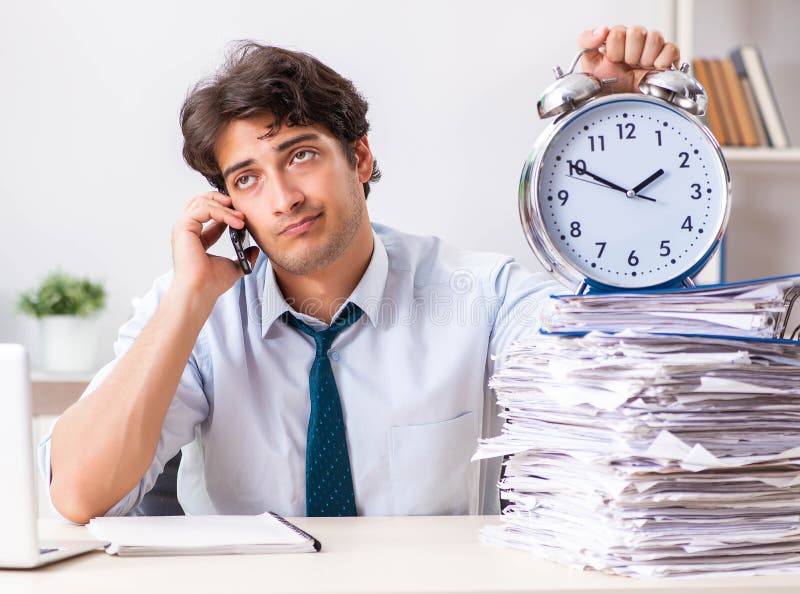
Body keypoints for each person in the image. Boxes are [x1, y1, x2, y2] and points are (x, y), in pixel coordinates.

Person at [41, 26, 680, 524]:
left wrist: (624, 137)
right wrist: (187, 301)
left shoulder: (480, 295)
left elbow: (629, 383)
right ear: (229, 203)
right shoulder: (196, 310)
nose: (283, 197)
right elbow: (77, 494)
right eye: (248, 178)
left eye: (302, 156)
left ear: (360, 158)